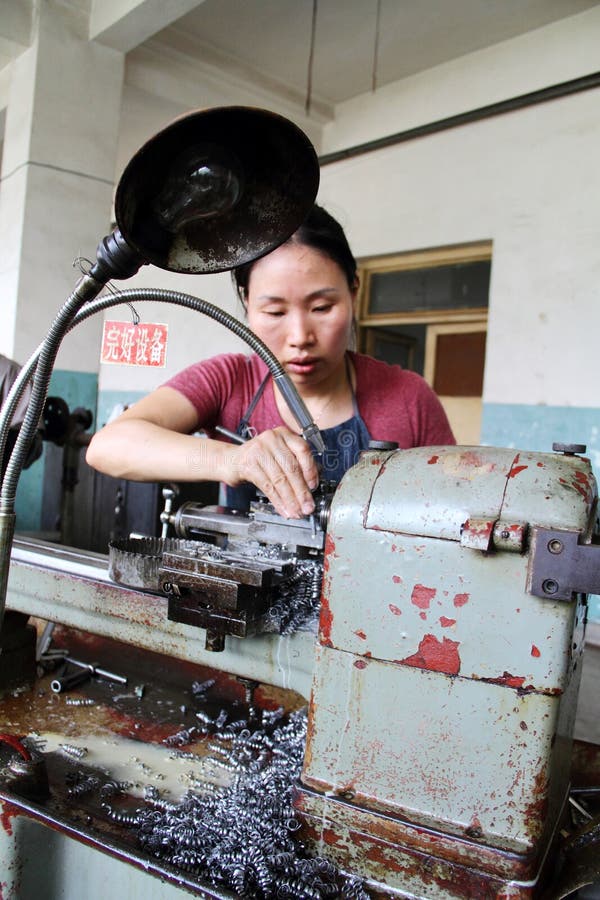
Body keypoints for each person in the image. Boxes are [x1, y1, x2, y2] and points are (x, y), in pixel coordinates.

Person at [86, 205, 455, 519]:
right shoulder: (229, 381)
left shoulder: (409, 399)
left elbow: (454, 511)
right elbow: (110, 445)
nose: (300, 336)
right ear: (247, 304)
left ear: (353, 292)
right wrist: (232, 461)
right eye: (275, 311)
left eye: (322, 308)